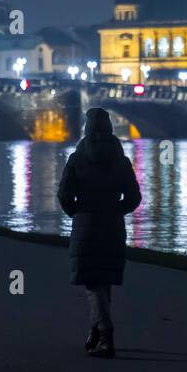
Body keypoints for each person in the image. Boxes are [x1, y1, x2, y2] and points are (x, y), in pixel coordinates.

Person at [57, 107, 142, 358]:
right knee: (103, 280)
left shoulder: (77, 159)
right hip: (113, 226)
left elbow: (64, 195)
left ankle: (105, 334)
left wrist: (77, 212)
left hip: (86, 224)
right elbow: (134, 197)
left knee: (93, 282)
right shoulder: (121, 161)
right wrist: (118, 210)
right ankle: (96, 332)